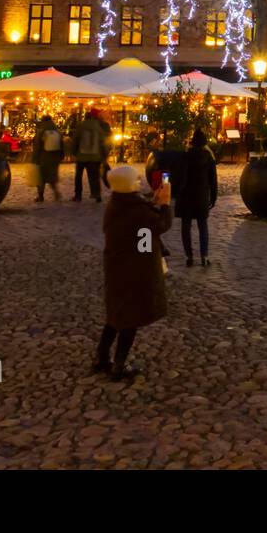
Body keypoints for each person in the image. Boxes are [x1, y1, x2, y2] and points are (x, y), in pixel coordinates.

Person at [94, 164, 172, 382]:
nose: (139, 182)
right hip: (136, 270)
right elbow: (161, 224)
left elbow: (142, 225)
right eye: (136, 180)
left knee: (115, 315)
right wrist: (164, 205)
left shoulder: (118, 204)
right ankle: (119, 364)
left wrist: (152, 203)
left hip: (117, 268)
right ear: (129, 185)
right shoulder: (136, 210)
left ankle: (101, 356)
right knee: (131, 318)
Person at [174, 128, 218, 266]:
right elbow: (213, 180)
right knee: (202, 226)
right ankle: (204, 256)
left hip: (186, 196)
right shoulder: (208, 157)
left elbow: (178, 177)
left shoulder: (185, 156)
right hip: (201, 195)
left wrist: (176, 192)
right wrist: (213, 197)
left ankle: (189, 256)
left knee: (186, 226)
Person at [72, 108, 107, 202]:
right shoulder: (97, 127)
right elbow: (102, 142)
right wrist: (103, 156)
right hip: (95, 156)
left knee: (78, 176)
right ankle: (97, 194)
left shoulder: (81, 126)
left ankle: (78, 195)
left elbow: (76, 140)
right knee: (95, 176)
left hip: (81, 155)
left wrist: (74, 152)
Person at [30, 116, 64, 201]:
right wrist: (60, 157)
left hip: (43, 157)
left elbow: (37, 146)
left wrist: (35, 158)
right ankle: (56, 192)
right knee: (52, 176)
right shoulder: (57, 131)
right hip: (54, 157)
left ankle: (40, 196)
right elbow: (62, 145)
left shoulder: (41, 131)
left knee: (41, 177)